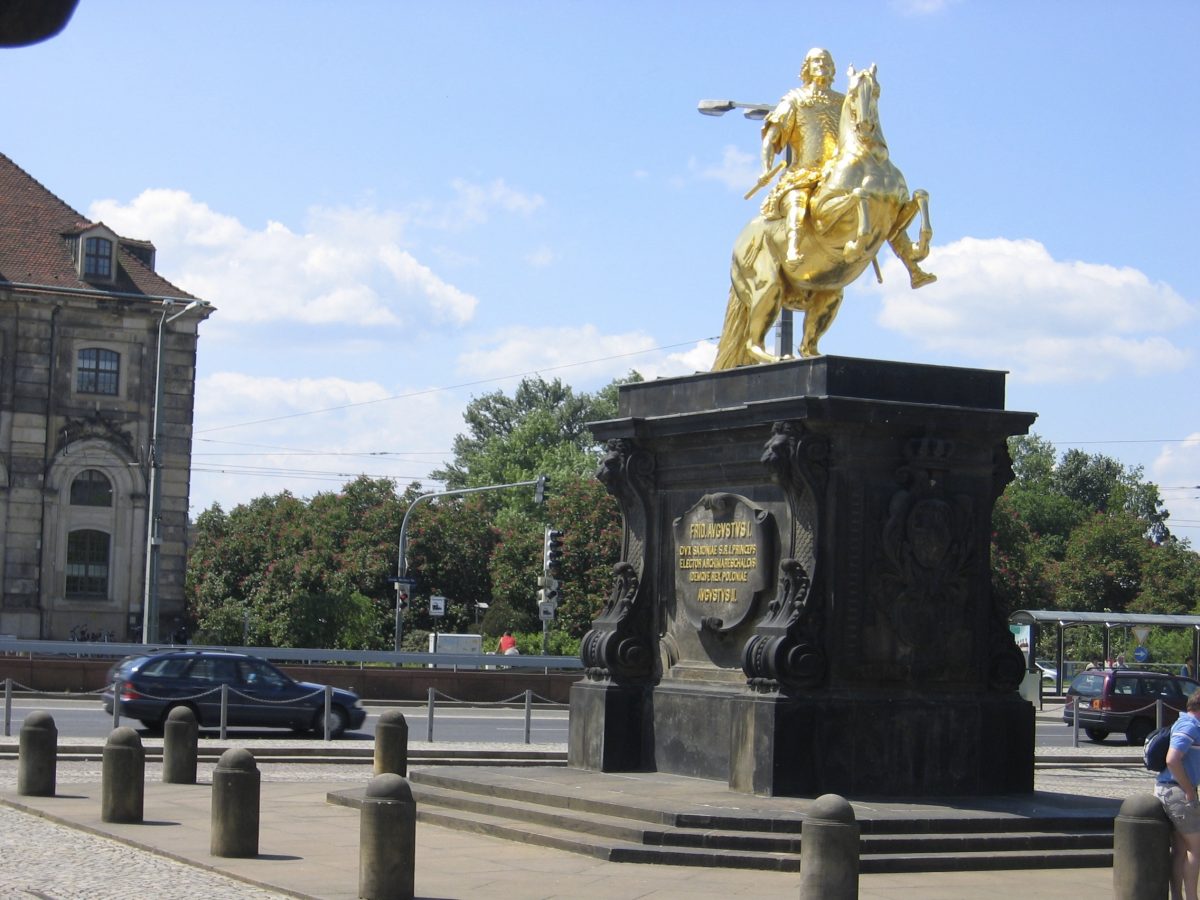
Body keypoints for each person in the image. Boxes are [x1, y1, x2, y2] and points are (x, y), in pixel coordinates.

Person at [758, 47, 845, 265]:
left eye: (826, 61)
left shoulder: (844, 102)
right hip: (804, 174)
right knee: (798, 201)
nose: (822, 65)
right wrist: (766, 170)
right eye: (816, 61)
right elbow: (771, 138)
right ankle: (793, 250)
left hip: (837, 173)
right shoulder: (795, 99)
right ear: (806, 68)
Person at [1157, 688, 1200, 900]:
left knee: (1181, 848)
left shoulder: (1184, 723)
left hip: (1170, 789)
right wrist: (1190, 791)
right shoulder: (1190, 725)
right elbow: (1172, 759)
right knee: (1196, 849)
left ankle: (1177, 897)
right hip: (1178, 791)